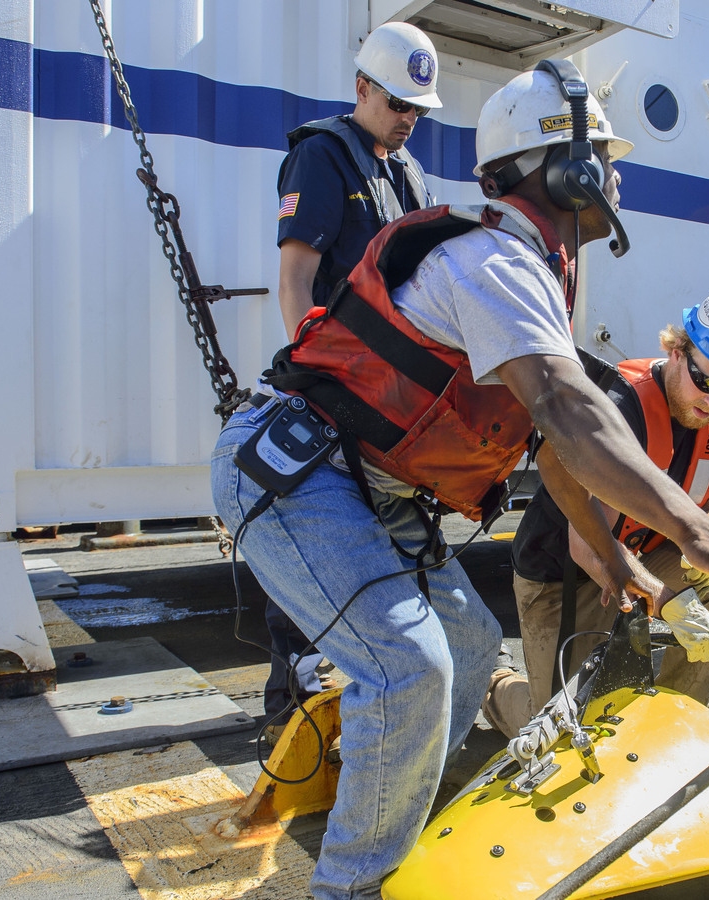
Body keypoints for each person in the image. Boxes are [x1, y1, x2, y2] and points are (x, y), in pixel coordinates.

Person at [213, 59, 709, 900]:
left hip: (361, 483)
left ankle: (398, 818)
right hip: (294, 472)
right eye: (602, 159)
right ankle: (350, 887)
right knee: (412, 666)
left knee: (462, 651)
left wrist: (612, 557)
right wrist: (696, 528)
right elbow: (571, 412)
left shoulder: (532, 273)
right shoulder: (497, 263)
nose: (615, 177)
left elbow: (551, 446)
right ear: (564, 169)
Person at [483, 287, 709, 737]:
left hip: (648, 558)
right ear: (677, 350)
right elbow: (588, 545)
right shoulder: (619, 407)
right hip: (567, 574)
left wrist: (705, 546)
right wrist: (671, 601)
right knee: (559, 729)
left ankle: (672, 727)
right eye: (707, 382)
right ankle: (496, 685)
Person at [263, 20, 441, 729]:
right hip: (334, 392)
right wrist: (312, 383)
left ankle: (386, 704)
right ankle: (294, 712)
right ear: (361, 86)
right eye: (397, 105)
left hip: (390, 403)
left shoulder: (409, 175)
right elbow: (296, 278)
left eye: (417, 112)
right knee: (316, 537)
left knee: (393, 547)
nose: (408, 122)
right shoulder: (324, 157)